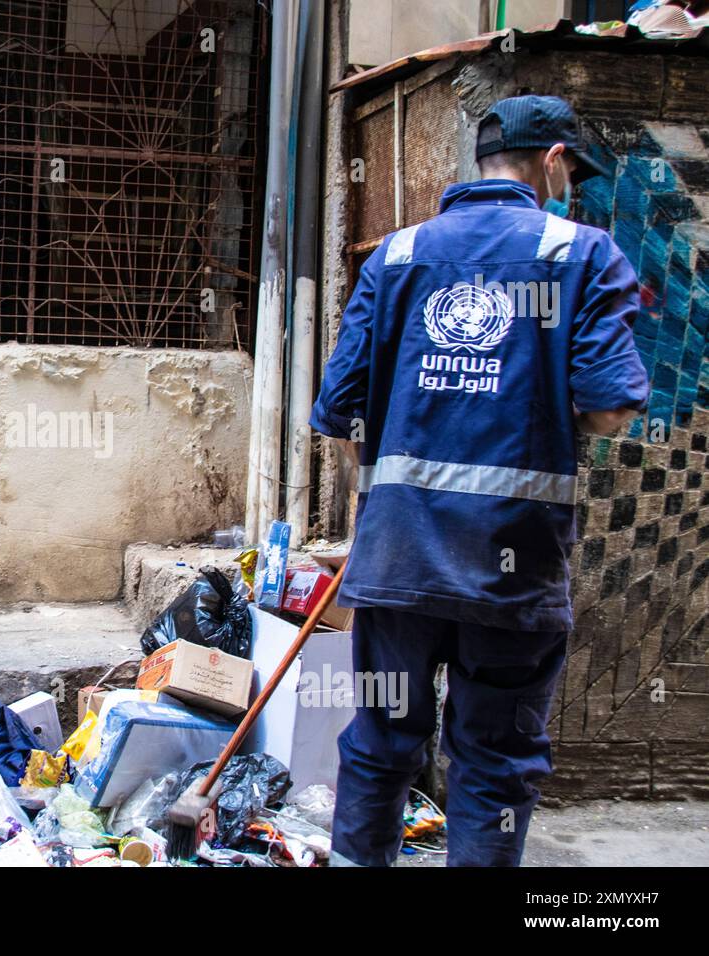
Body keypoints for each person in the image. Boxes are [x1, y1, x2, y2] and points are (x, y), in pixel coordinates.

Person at [310, 95, 651, 866]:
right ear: (553, 161)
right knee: (494, 761)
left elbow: (336, 413)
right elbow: (613, 405)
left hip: (399, 560)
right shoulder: (582, 254)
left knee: (379, 740)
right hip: (511, 566)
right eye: (571, 172)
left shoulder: (397, 257)